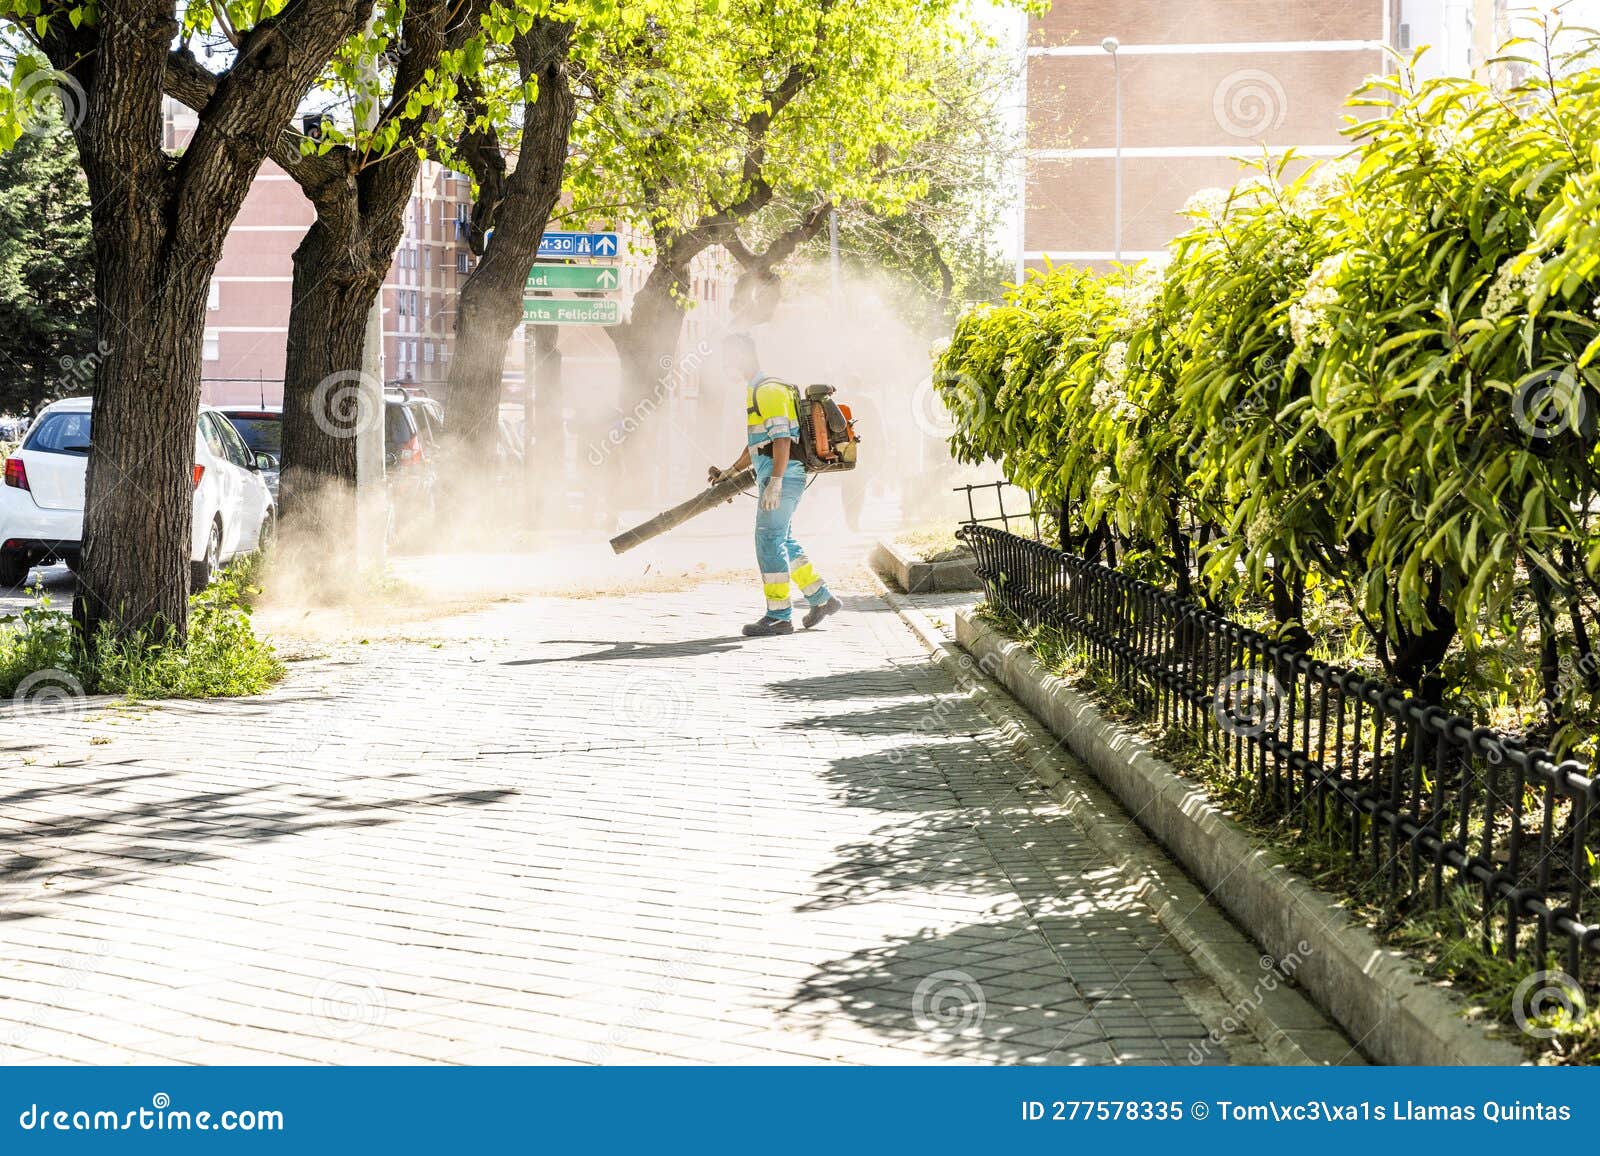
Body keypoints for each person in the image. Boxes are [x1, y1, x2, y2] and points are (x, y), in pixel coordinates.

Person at [709, 334, 842, 638]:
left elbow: (782, 439)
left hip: (783, 475)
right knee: (784, 539)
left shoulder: (767, 390)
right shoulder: (760, 390)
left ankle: (780, 616)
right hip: (781, 473)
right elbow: (759, 442)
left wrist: (776, 482)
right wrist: (731, 471)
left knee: (768, 540)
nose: (726, 364)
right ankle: (822, 599)